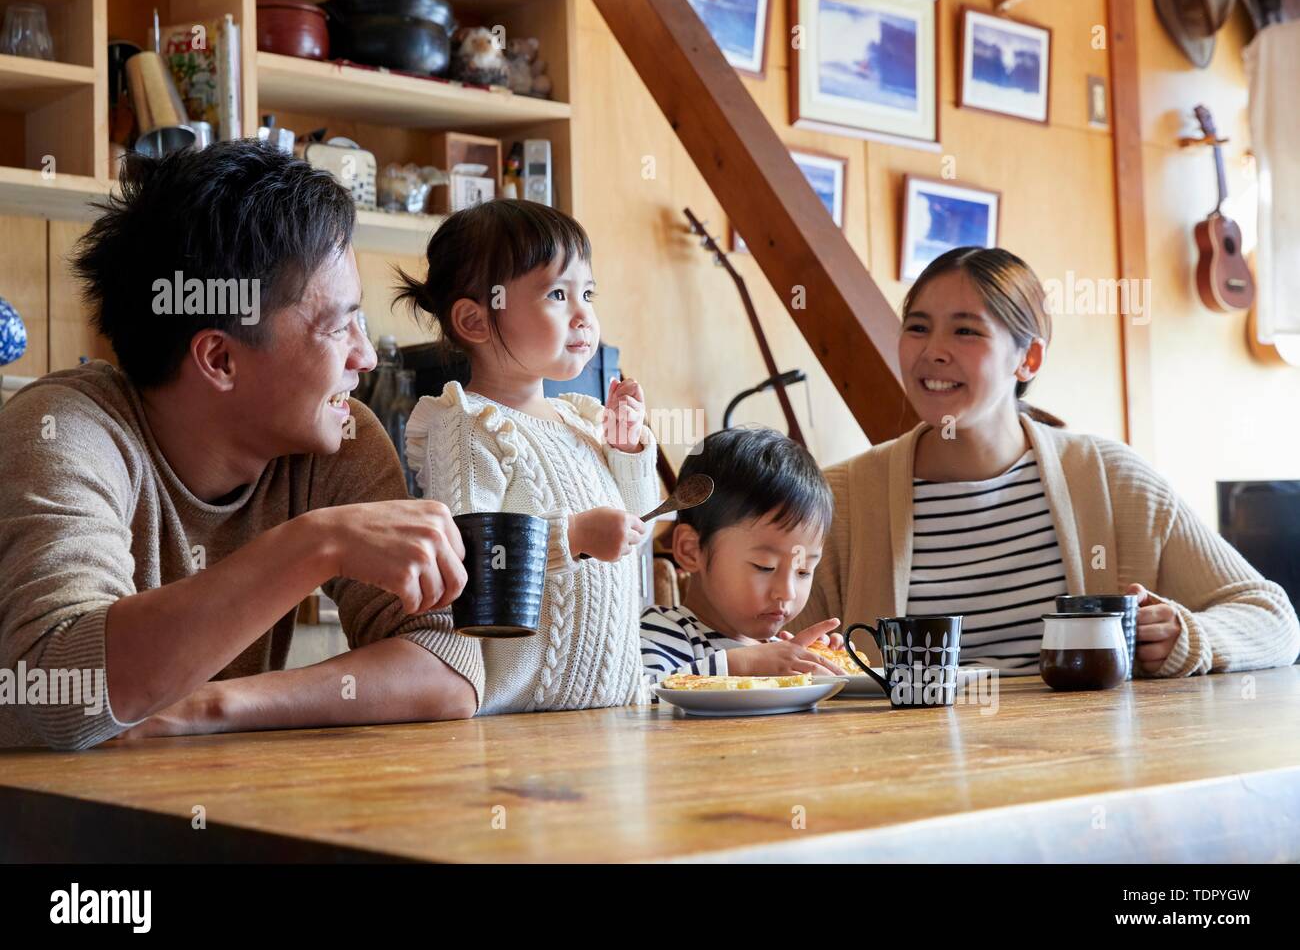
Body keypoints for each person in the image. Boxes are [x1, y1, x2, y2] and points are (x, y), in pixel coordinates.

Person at [0, 140, 476, 751]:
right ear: (220, 358)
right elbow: (61, 690)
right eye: (338, 326)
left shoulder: (339, 438)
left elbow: (449, 672)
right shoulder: (65, 432)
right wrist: (315, 544)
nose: (363, 357)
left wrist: (212, 706)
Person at [795, 246, 1300, 676]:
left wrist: (1187, 637)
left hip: (1090, 767)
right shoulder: (840, 497)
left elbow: (1273, 619)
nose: (934, 351)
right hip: (900, 773)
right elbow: (766, 649)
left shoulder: (1111, 478)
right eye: (918, 327)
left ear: (1028, 359)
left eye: (966, 331)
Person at [399, 200, 657, 714]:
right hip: (517, 715)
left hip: (616, 704)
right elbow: (470, 560)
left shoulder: (582, 422)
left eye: (587, 293)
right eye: (557, 294)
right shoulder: (466, 425)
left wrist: (628, 449)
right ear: (475, 320)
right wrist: (576, 537)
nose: (584, 315)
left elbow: (638, 529)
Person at [640, 427, 844, 684]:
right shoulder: (664, 632)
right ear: (691, 550)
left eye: (803, 571)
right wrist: (743, 664)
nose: (787, 592)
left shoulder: (774, 650)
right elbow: (640, 697)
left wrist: (822, 671)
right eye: (765, 566)